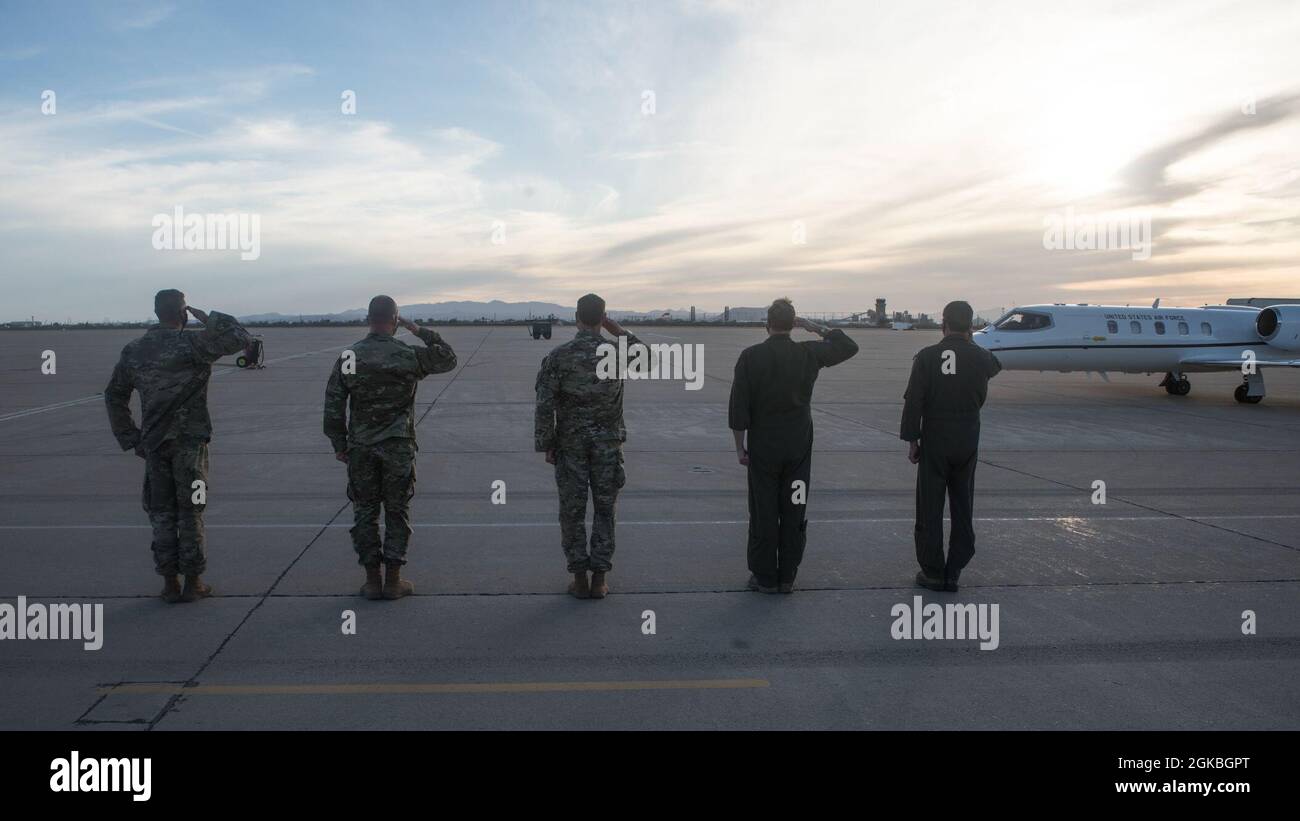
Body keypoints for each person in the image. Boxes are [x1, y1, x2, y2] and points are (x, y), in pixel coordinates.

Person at [104, 290, 251, 603]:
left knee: (161, 513)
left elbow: (114, 395)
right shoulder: (194, 344)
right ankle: (194, 581)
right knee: (191, 511)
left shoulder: (135, 350)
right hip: (190, 444)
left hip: (154, 445)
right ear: (182, 313)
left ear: (156, 312)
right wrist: (207, 317)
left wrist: (131, 437)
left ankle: (169, 582)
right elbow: (240, 337)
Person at [324, 296, 457, 600]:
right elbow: (448, 358)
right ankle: (394, 580)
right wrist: (420, 330)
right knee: (397, 511)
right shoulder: (408, 354)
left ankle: (372, 581)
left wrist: (339, 443)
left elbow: (333, 405)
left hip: (362, 448)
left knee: (365, 511)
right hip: (398, 447)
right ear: (395, 320)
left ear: (368, 319)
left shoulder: (351, 356)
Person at [729, 298, 859, 593]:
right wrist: (816, 328)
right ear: (793, 324)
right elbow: (849, 346)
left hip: (764, 449)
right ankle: (787, 575)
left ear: (767, 324)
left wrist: (740, 448)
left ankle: (764, 577)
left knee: (764, 509)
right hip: (798, 448)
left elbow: (739, 410)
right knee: (795, 506)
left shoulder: (750, 357)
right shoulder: (808, 354)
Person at [534, 293, 644, 599]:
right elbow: (648, 359)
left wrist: (546, 443)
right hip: (607, 445)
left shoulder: (559, 356)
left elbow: (545, 404)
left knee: (572, 510)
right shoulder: (615, 353)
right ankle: (600, 579)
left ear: (576, 317)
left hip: (571, 446)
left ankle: (579, 578)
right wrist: (619, 331)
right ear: (603, 318)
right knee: (605, 510)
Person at [900, 300, 1002, 593]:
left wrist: (913, 440)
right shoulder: (982, 357)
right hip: (968, 437)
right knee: (962, 503)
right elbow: (996, 365)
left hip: (936, 436)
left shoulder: (927, 357)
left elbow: (914, 402)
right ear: (971, 325)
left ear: (943, 323)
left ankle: (933, 571)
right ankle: (954, 569)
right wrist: (970, 344)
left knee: (930, 505)